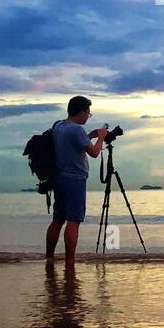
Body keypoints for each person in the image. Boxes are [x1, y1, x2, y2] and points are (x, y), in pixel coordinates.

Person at [44, 96, 108, 266]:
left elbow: (72, 143)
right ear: (81, 112)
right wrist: (101, 137)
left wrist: (90, 135)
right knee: (74, 220)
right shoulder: (76, 130)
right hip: (75, 179)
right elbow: (94, 153)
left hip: (59, 177)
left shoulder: (58, 125)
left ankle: (49, 257)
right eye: (88, 113)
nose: (88, 116)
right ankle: (70, 261)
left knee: (58, 219)